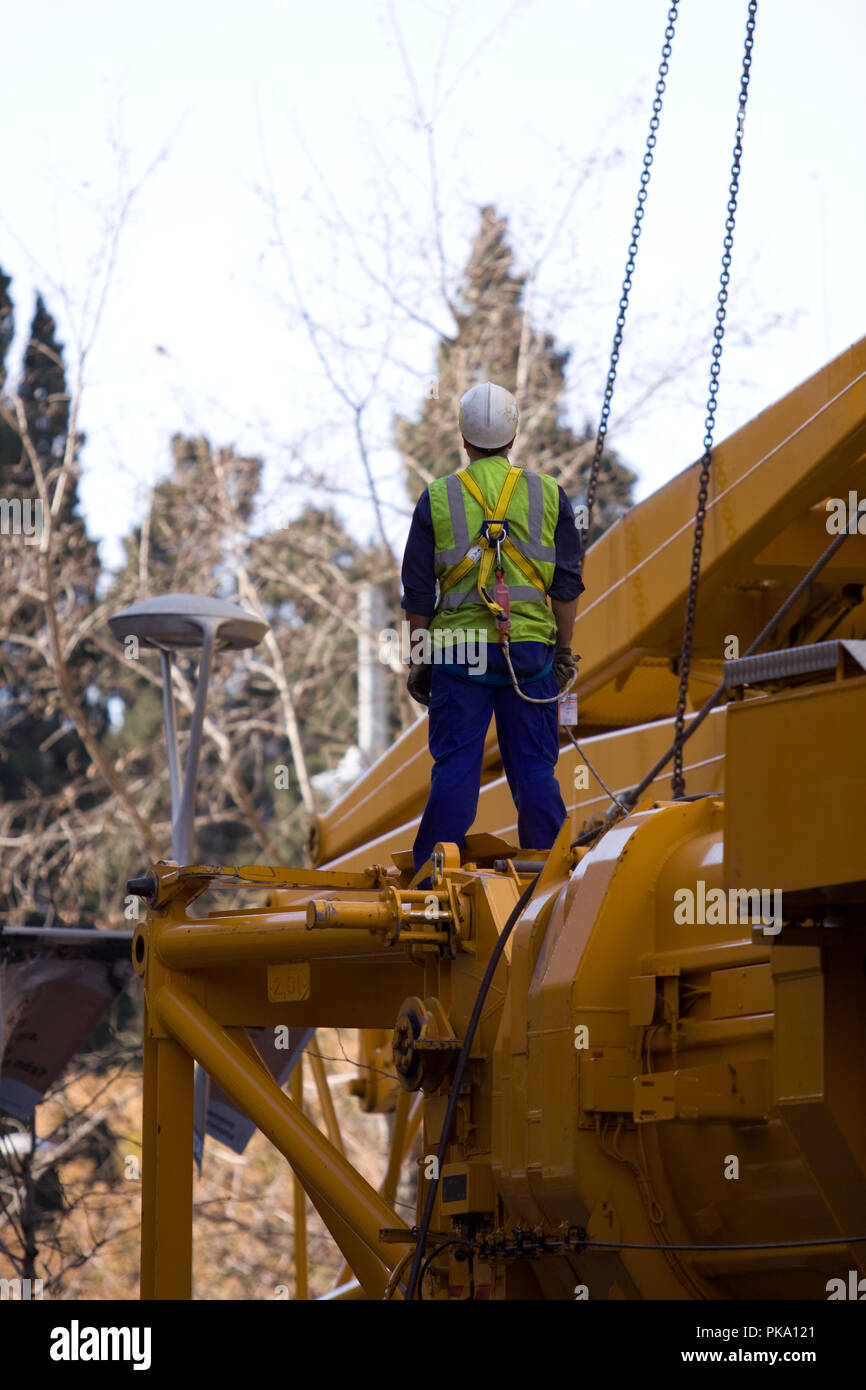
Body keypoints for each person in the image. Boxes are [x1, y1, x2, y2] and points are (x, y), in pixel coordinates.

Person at [400, 381, 584, 879]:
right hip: (529, 654)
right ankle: (548, 876)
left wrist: (418, 658)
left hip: (460, 657)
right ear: (514, 434)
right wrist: (563, 652)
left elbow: (417, 596)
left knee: (456, 769)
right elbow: (566, 587)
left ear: (463, 438)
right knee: (535, 770)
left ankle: (433, 876)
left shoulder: (437, 498)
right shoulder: (549, 494)